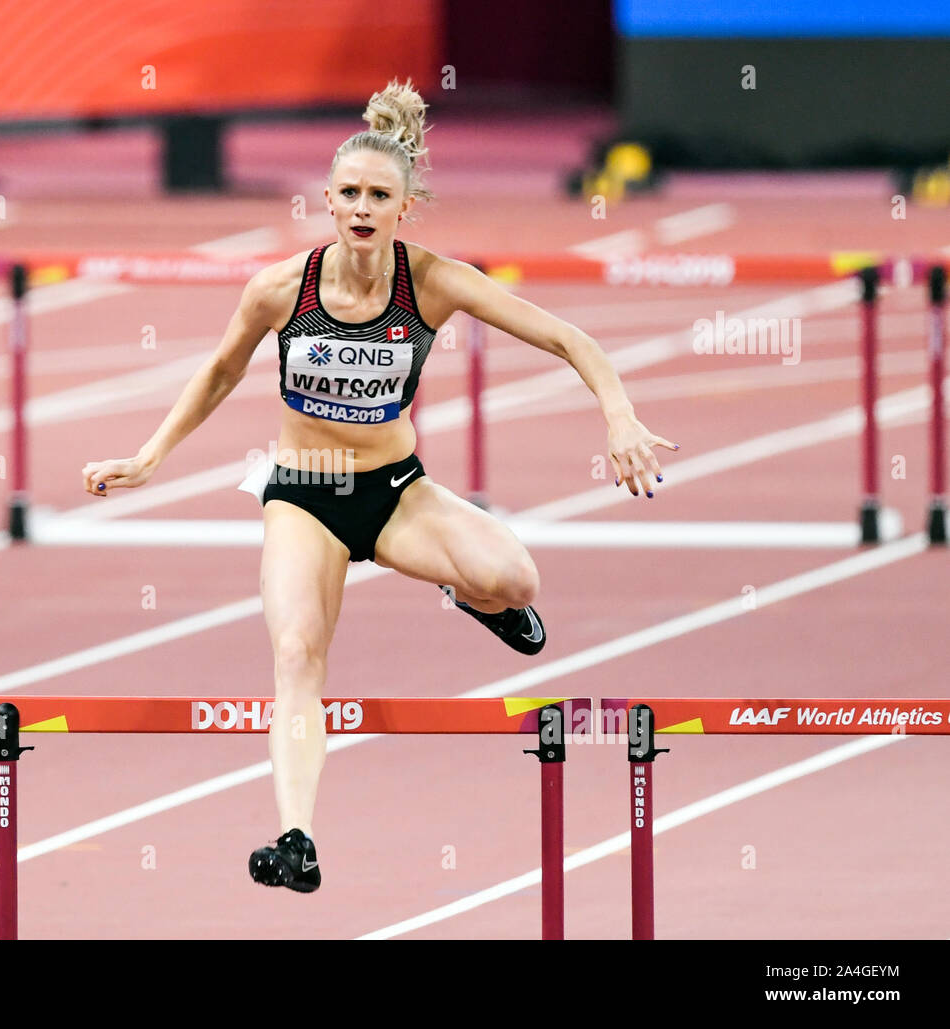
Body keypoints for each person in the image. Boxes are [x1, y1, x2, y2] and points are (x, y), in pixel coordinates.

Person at [82, 78, 677, 893]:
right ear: (327, 201)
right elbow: (222, 369)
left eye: (380, 196)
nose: (362, 208)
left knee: (516, 578)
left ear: (405, 206)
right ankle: (296, 836)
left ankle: (473, 597)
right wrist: (150, 456)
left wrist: (619, 416)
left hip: (396, 491)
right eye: (350, 193)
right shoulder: (280, 288)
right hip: (303, 493)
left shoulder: (429, 282)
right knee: (297, 653)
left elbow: (568, 338)